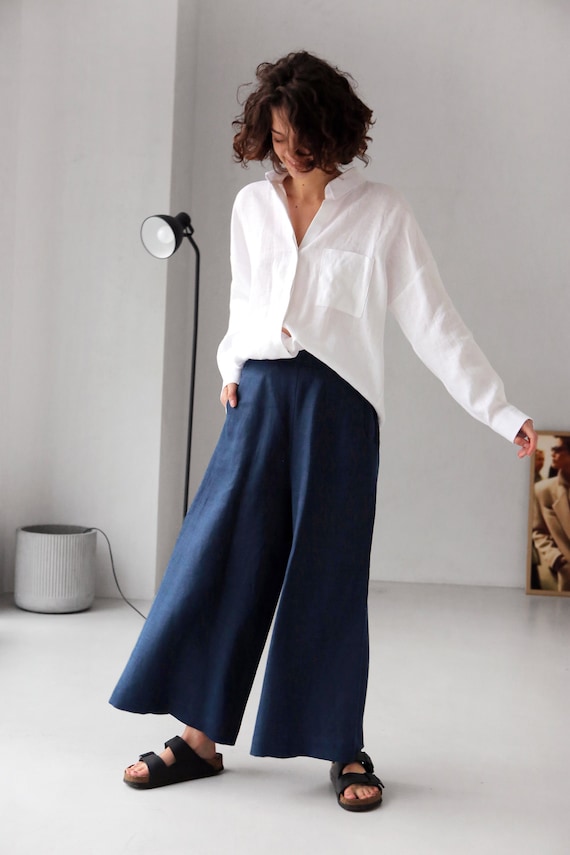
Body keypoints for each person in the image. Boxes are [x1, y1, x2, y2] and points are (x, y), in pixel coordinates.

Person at [109, 51, 537, 812]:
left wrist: (500, 411)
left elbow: (434, 322)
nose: (290, 153)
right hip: (259, 401)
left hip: (339, 413)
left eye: (302, 140)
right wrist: (229, 365)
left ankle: (343, 744)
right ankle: (200, 738)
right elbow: (245, 303)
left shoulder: (382, 212)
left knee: (328, 577)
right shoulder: (251, 207)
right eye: (277, 139)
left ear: (334, 133)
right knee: (221, 560)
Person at [532, 437, 570, 592]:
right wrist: (557, 560)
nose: (552, 453)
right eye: (552, 449)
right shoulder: (543, 490)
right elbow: (538, 531)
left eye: (557, 449)